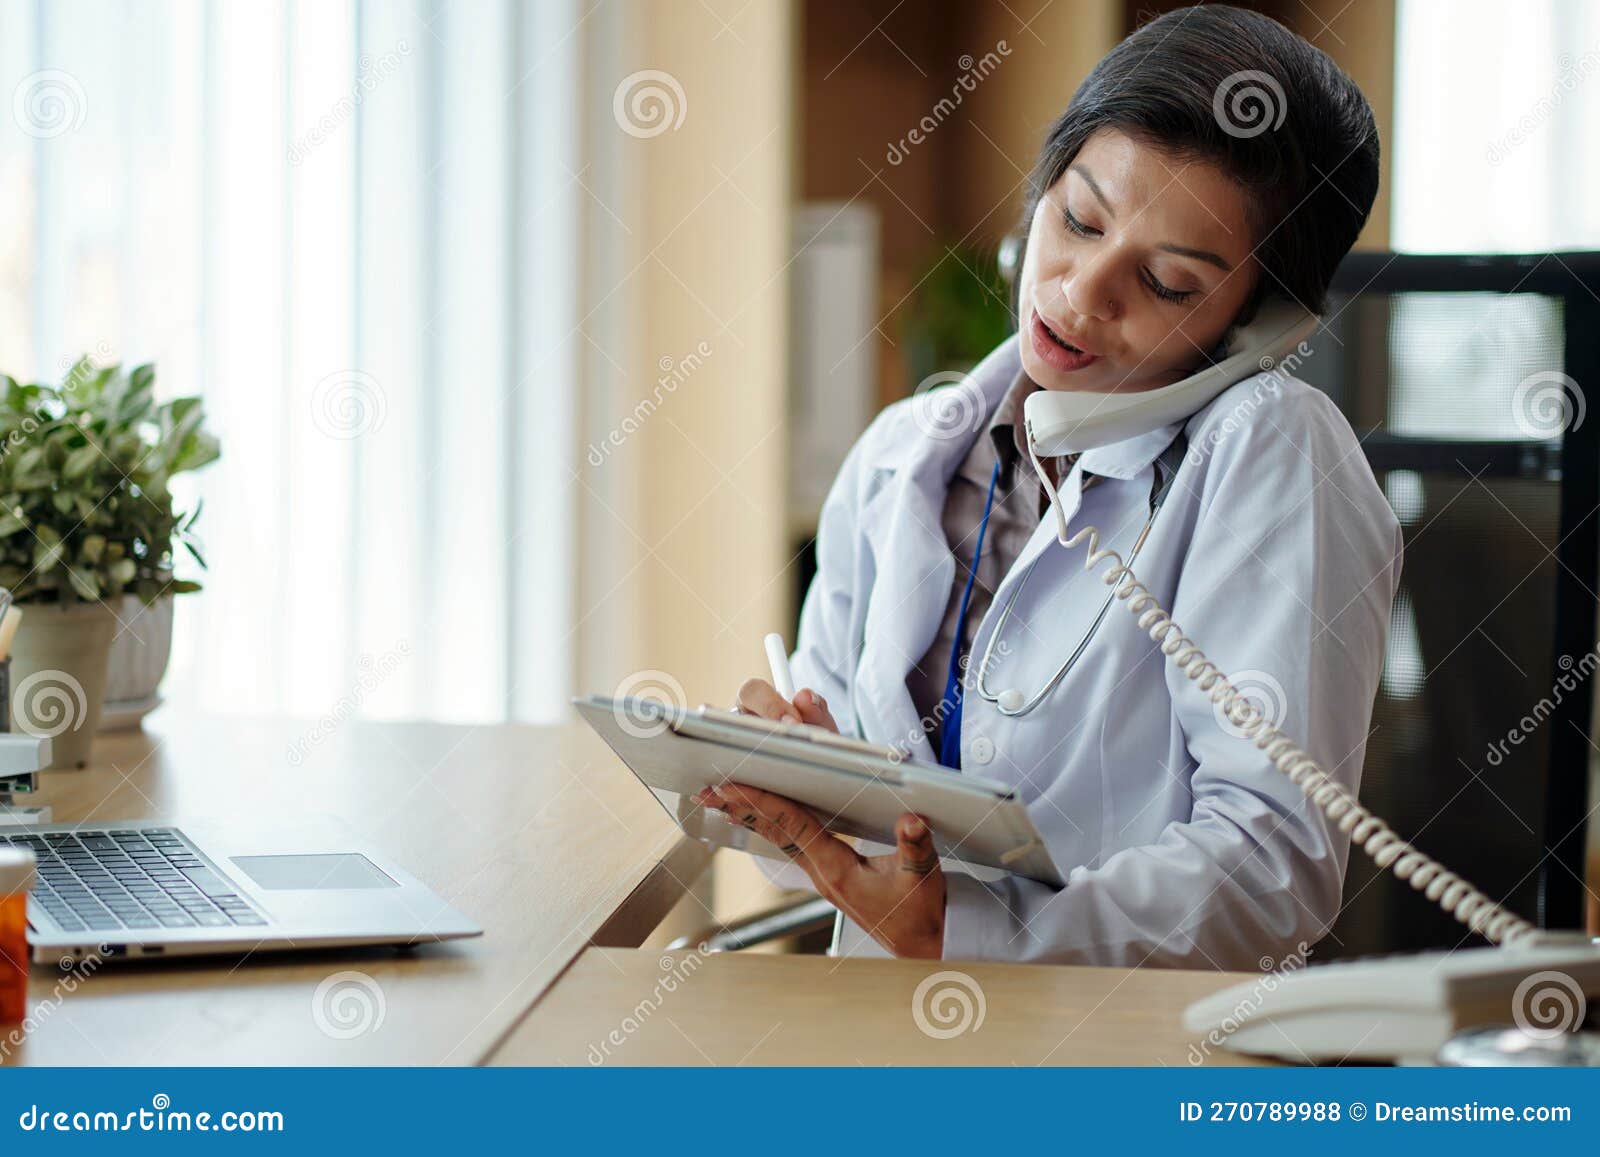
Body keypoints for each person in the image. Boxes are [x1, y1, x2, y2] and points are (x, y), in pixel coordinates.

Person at [696, 4, 1401, 969]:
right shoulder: (908, 451)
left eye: (1167, 283)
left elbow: (1273, 860)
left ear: (1258, 326)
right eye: (1077, 220)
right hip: (880, 1038)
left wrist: (978, 936)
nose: (1078, 292)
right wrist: (799, 785)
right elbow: (849, 852)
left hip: (1113, 1071)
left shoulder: (1270, 449)